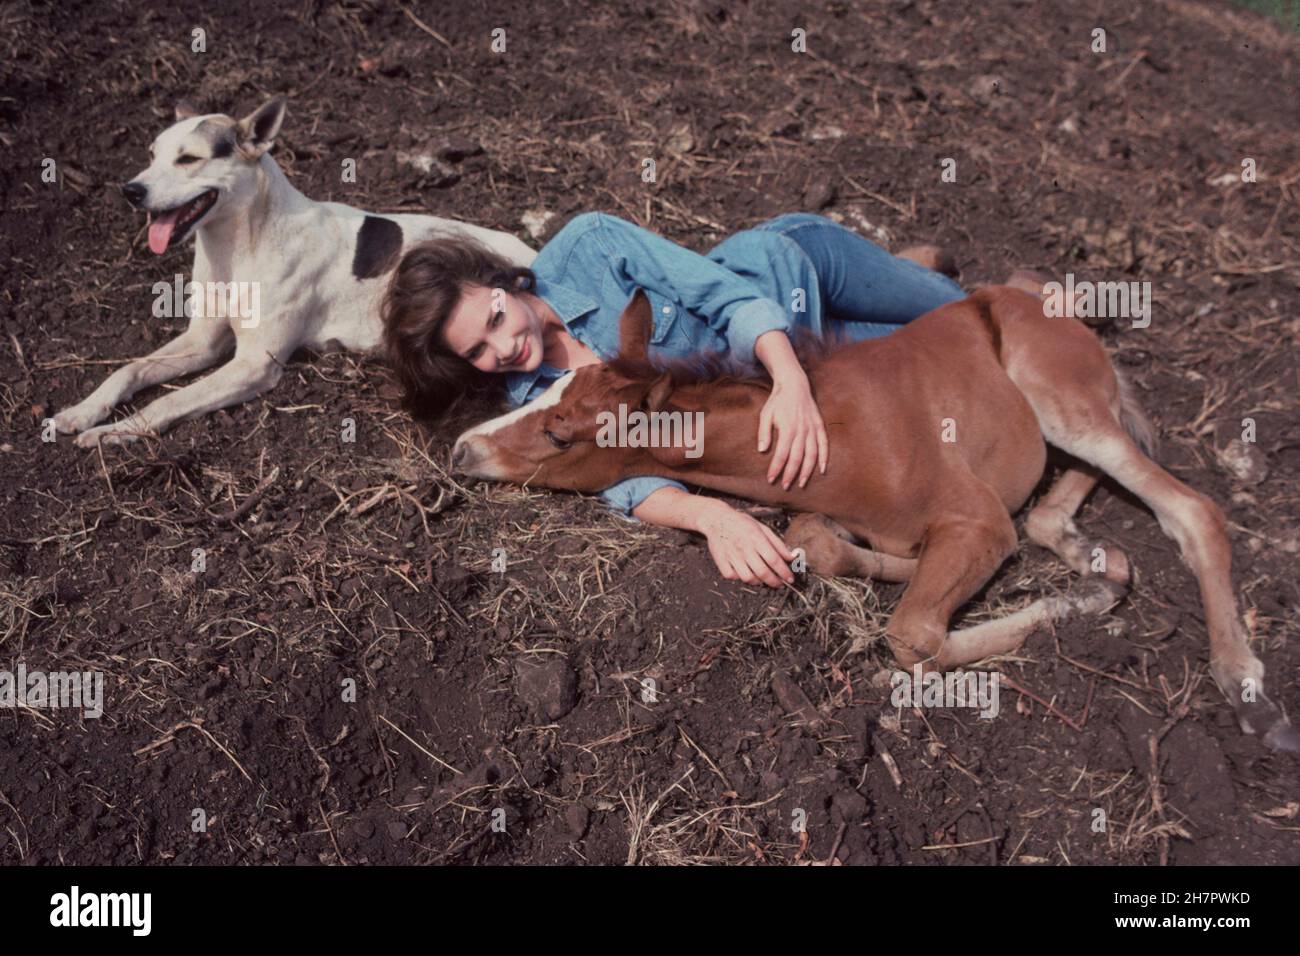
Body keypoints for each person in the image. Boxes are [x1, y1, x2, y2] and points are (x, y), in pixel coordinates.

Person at [382, 211, 965, 588]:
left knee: (958, 307)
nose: (503, 346)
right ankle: (891, 288)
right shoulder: (532, 397)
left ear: (503, 280)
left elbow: (723, 296)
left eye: (495, 318)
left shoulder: (592, 246)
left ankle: (902, 274)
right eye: (478, 351)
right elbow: (622, 474)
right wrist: (709, 517)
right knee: (953, 357)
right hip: (793, 378)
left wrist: (792, 383)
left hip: (783, 274)